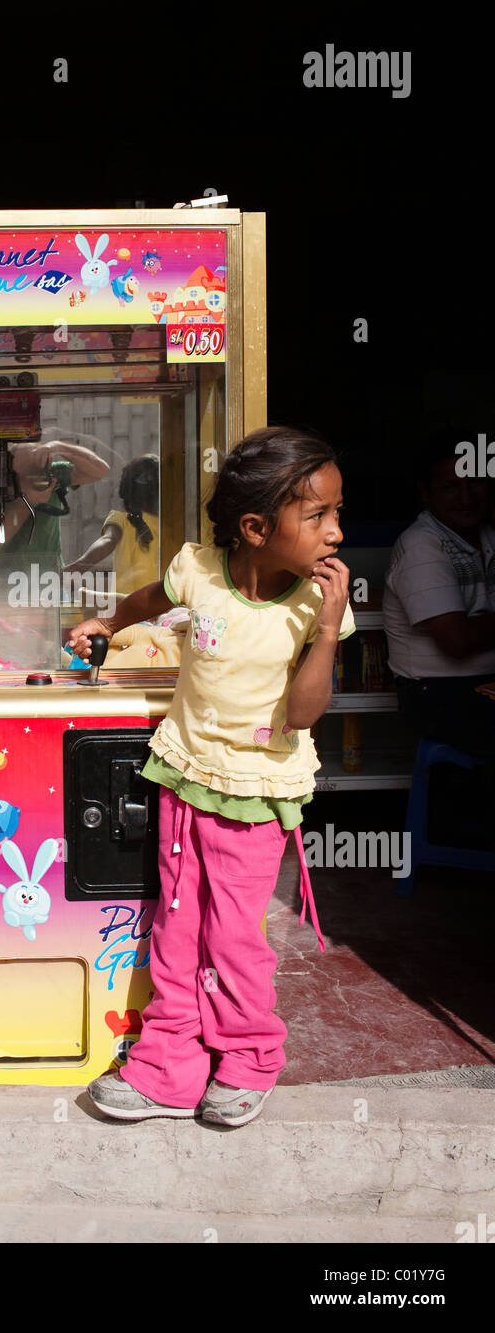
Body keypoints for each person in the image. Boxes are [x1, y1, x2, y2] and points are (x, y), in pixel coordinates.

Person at [68, 426, 354, 1127]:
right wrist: (105, 620)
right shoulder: (198, 570)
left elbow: (305, 713)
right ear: (256, 528)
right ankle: (169, 1064)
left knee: (233, 937)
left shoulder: (314, 607)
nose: (336, 532)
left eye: (336, 513)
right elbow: (145, 600)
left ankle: (251, 1056)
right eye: (317, 515)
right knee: (176, 925)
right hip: (184, 777)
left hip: (254, 796)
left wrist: (328, 630)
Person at [383, 427, 495, 848]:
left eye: (476, 483)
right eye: (451, 486)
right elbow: (456, 640)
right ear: (426, 493)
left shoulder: (486, 537)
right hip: (439, 696)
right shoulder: (422, 545)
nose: (466, 496)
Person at [0, 438, 110, 578]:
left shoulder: (51, 476)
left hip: (49, 580)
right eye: (22, 474)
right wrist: (29, 501)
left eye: (34, 470)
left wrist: (58, 447)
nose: (30, 478)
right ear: (9, 473)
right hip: (10, 585)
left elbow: (101, 470)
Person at [64, 454, 160, 595]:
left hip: (126, 606)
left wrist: (79, 566)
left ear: (126, 491)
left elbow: (107, 541)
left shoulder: (120, 519)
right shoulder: (166, 526)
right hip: (158, 605)